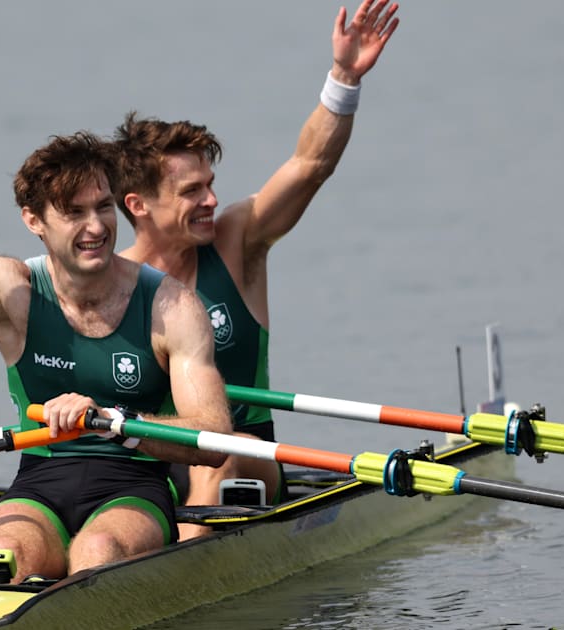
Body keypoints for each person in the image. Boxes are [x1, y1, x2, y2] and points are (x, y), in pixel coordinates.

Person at [0, 89, 232, 581]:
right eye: (74, 213)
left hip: (135, 486)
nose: (95, 227)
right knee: (2, 551)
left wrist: (115, 422)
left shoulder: (171, 307)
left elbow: (214, 438)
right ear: (33, 220)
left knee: (98, 550)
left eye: (103, 207)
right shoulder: (12, 291)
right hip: (40, 482)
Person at [112, 0, 399, 540]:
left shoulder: (236, 242)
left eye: (210, 184)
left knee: (219, 454)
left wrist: (344, 78)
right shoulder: (106, 280)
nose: (211, 200)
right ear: (138, 205)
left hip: (246, 456)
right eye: (191, 191)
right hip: (141, 467)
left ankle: (186, 571)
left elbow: (310, 166)